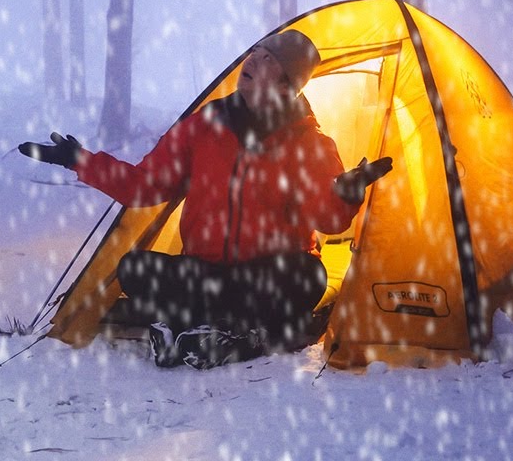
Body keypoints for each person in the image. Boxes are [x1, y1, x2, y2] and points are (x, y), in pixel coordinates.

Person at [19, 30, 391, 368]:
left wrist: (345, 194)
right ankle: (229, 331)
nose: (253, 60)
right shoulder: (203, 127)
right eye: (256, 51)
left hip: (266, 273)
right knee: (133, 268)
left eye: (267, 60)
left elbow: (327, 217)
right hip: (206, 271)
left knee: (308, 276)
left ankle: (190, 324)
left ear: (284, 85)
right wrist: (80, 160)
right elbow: (143, 186)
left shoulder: (310, 144)